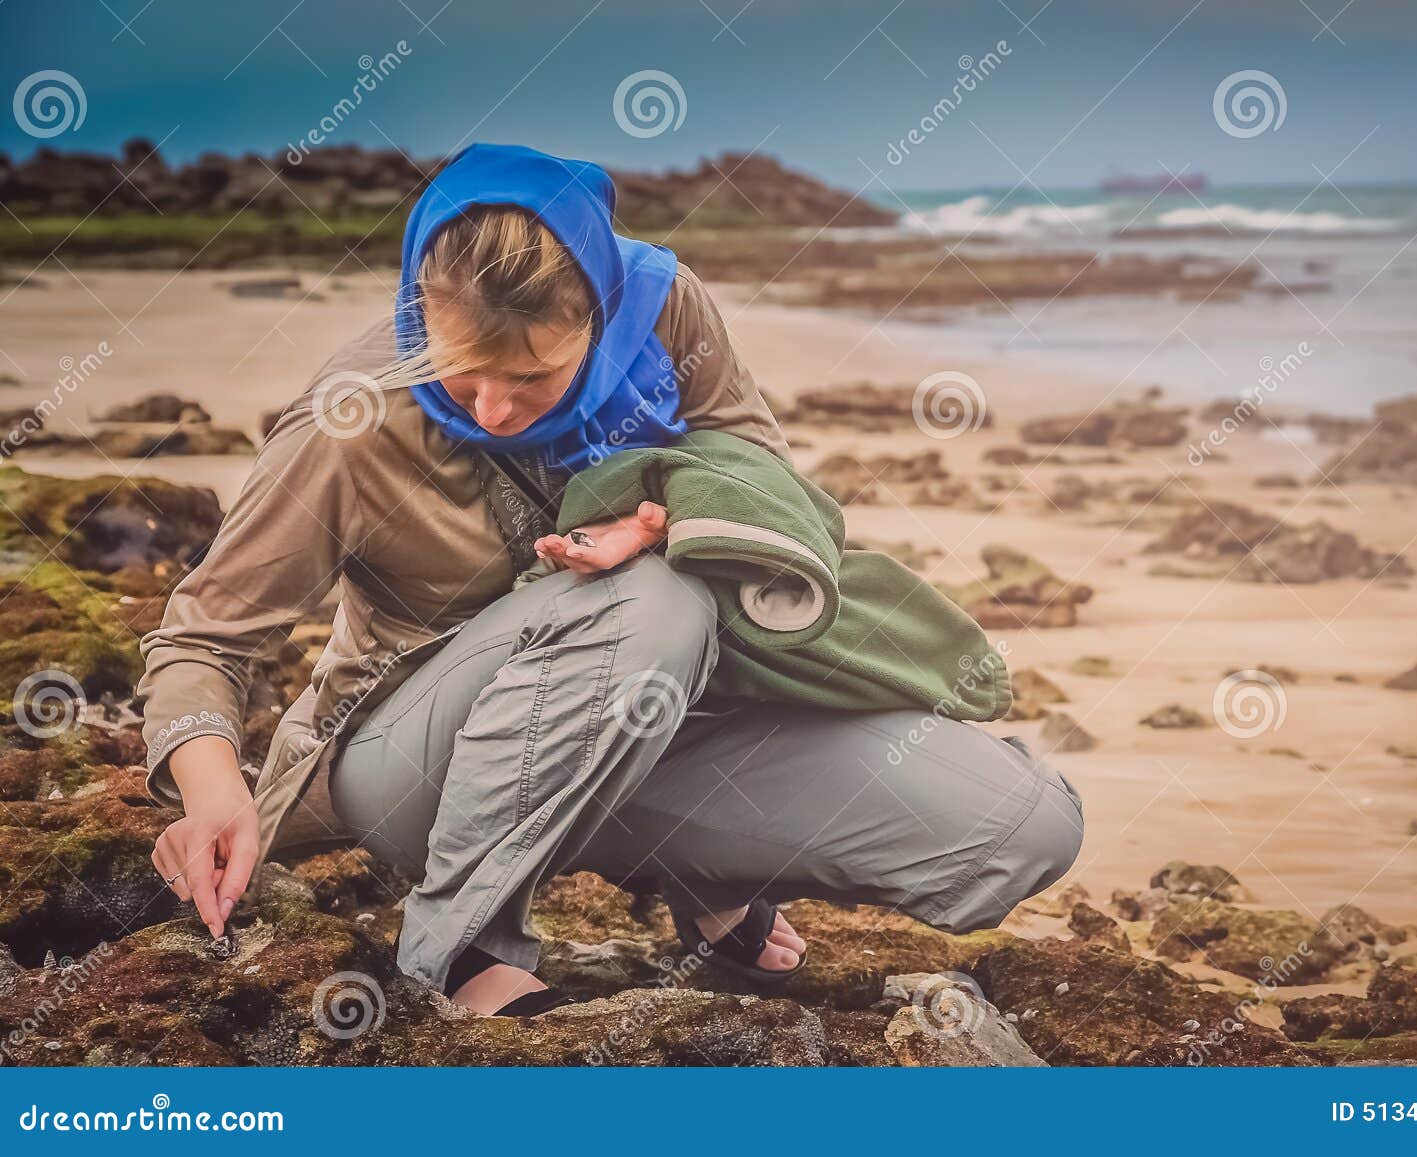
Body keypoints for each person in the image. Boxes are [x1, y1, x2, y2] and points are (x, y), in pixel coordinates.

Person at [141, 143, 1084, 1017]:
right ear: (418, 307)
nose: (495, 409)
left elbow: (760, 479)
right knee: (654, 600)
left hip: (642, 724)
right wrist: (214, 788)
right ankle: (462, 949)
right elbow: (202, 636)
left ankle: (696, 870)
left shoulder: (665, 314)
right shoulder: (348, 422)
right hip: (409, 761)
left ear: (593, 315)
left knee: (1021, 827)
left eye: (533, 376)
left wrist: (649, 514)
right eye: (463, 375)